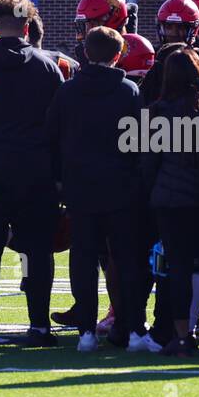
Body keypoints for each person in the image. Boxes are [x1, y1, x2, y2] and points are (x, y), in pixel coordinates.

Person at [0, 0, 66, 349]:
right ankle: (39, 326)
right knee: (38, 251)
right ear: (28, 23)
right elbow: (57, 124)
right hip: (36, 169)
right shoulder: (47, 65)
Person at [46, 24, 148, 352]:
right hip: (121, 189)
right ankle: (133, 331)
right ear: (118, 55)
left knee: (84, 260)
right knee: (126, 260)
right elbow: (141, 143)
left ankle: (86, 333)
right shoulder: (129, 91)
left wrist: (60, 181)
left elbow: (52, 139)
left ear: (86, 53)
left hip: (80, 189)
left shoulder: (68, 91)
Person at [144, 48, 199, 356]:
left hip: (172, 202)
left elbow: (149, 162)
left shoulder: (158, 111)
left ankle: (183, 337)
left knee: (178, 270)